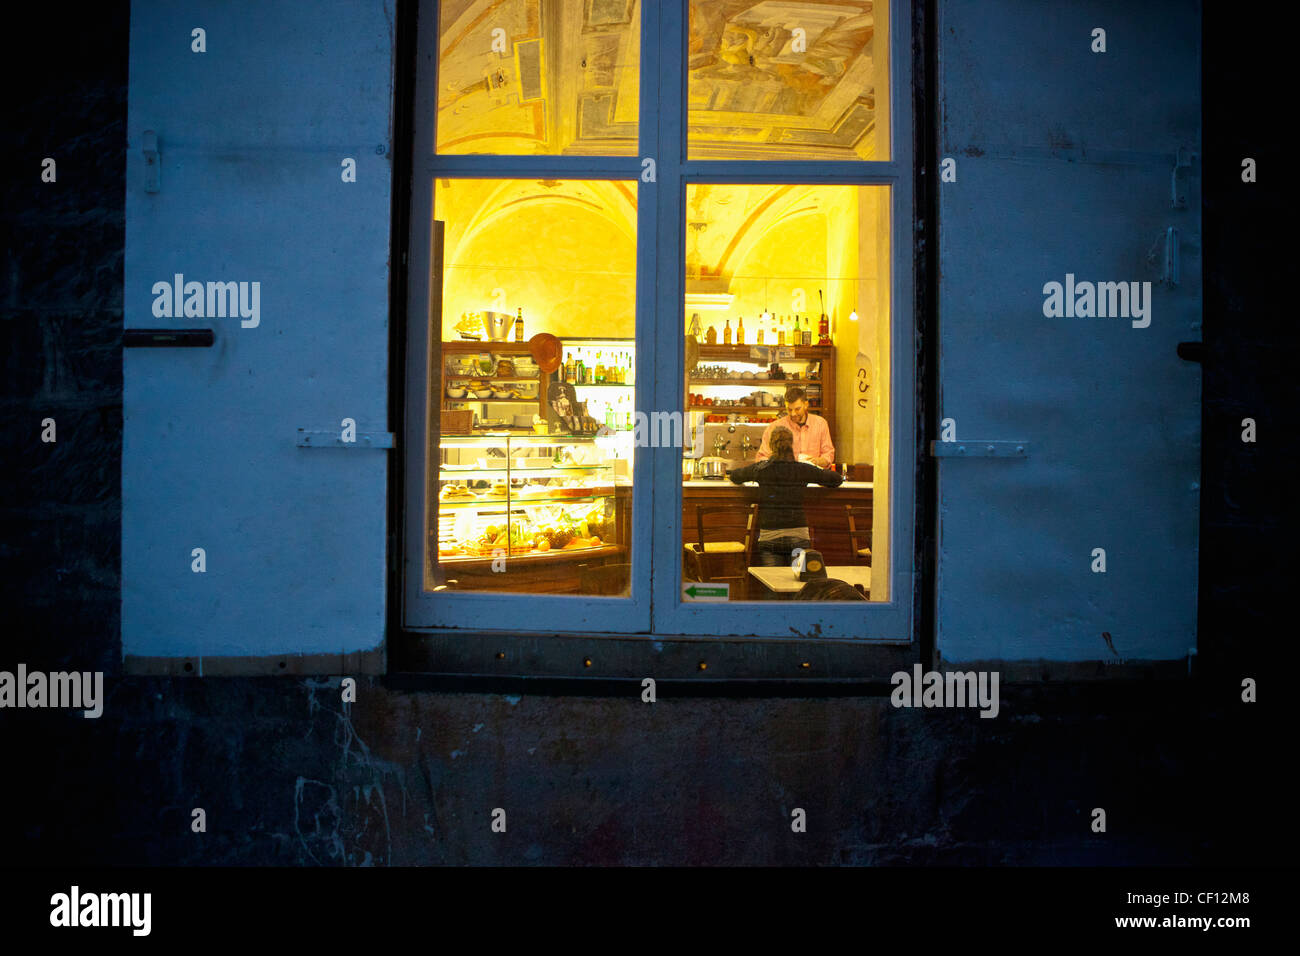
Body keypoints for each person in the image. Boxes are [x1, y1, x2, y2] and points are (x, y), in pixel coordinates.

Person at [728, 425, 843, 567]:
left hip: (769, 537)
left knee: (772, 585)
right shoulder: (803, 469)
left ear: (771, 445)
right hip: (798, 536)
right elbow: (836, 479)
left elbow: (735, 476)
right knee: (798, 586)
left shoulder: (761, 469)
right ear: (792, 444)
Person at [756, 386, 834, 468]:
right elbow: (761, 457)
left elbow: (828, 454)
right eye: (789, 410)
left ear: (806, 405)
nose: (793, 414)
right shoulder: (775, 427)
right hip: (785, 477)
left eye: (797, 409)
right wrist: (776, 466)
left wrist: (817, 461)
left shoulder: (820, 424)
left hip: (814, 476)